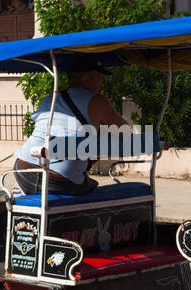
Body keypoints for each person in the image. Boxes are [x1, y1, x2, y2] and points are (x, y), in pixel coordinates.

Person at [14, 68, 129, 196]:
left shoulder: (49, 99)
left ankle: (22, 191)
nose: (101, 84)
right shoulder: (97, 101)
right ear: (86, 79)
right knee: (91, 186)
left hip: (22, 169)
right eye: (100, 78)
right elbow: (124, 131)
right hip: (58, 180)